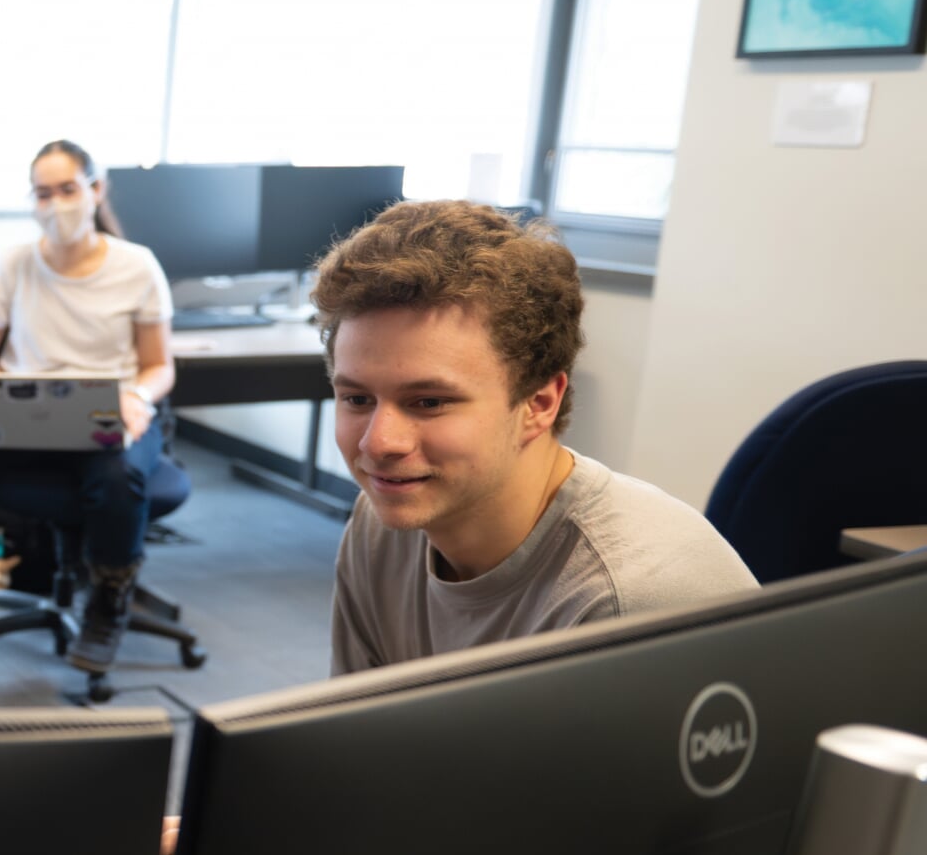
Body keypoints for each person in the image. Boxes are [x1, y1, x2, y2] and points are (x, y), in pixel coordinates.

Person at [321, 199, 756, 675]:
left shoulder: (628, 603)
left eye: (429, 402)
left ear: (539, 404)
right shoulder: (381, 525)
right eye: (357, 399)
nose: (379, 444)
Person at [0, 139, 176, 668]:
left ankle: (107, 604)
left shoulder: (137, 266)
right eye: (43, 194)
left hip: (110, 411)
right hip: (29, 413)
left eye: (67, 189)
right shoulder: (15, 265)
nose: (56, 204)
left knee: (118, 478)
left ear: (96, 189)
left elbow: (160, 366)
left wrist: (137, 397)